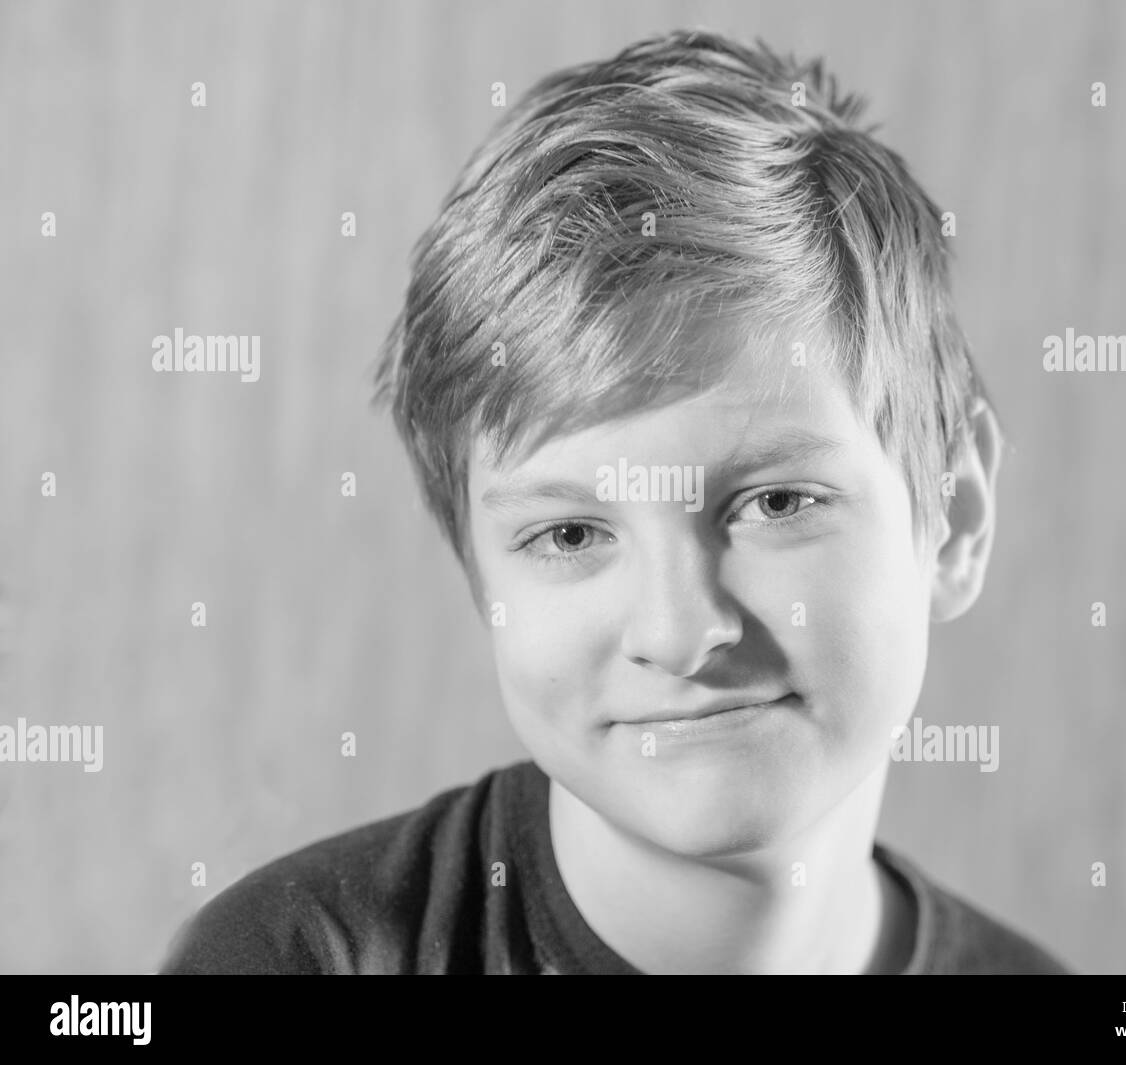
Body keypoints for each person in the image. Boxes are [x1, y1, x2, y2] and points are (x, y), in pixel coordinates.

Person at [159, 28, 1070, 975]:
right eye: (569, 532)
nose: (681, 633)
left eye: (775, 503)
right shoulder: (294, 960)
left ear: (955, 515)